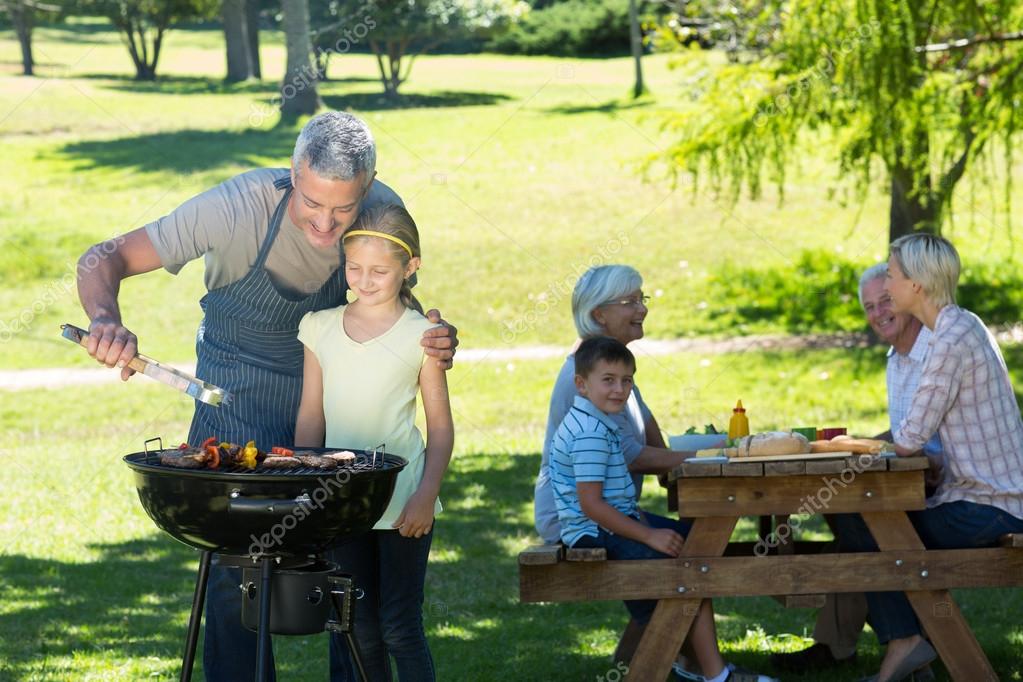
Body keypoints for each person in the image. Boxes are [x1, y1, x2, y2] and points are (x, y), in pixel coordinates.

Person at [75, 111, 458, 682]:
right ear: (291, 172)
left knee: (342, 567)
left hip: (332, 406)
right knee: (238, 568)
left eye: (343, 209)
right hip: (236, 395)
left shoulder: (383, 207)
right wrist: (106, 320)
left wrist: (435, 336)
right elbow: (102, 257)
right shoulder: (236, 206)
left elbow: (392, 302)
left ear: (370, 185)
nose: (326, 226)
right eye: (311, 203)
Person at [831, 234, 1023, 682]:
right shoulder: (958, 326)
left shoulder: (948, 340)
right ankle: (909, 649)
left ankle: (907, 644)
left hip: (996, 507)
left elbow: (910, 438)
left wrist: (851, 444)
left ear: (916, 285)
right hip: (980, 499)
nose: (889, 284)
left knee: (871, 525)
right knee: (869, 522)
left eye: (893, 275)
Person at [549, 337, 776, 682]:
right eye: (608, 380)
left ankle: (691, 658)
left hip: (613, 523)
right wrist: (649, 534)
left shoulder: (597, 421)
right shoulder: (589, 433)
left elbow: (611, 498)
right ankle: (713, 673)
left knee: (698, 544)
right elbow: (591, 505)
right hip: (592, 532)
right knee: (689, 563)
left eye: (627, 381)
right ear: (581, 384)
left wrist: (642, 522)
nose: (619, 389)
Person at [295, 204, 453, 681]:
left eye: (379, 271)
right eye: (355, 267)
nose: (364, 280)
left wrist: (426, 496)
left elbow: (440, 428)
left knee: (399, 628)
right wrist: (307, 486)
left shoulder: (423, 336)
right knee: (356, 628)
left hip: (404, 504)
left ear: (410, 268)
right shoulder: (319, 327)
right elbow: (310, 414)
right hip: (339, 504)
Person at [771, 262, 943, 673]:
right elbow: (908, 433)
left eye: (886, 301)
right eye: (869, 307)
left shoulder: (936, 352)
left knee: (859, 519)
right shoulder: (896, 358)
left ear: (907, 295)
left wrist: (866, 446)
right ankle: (843, 643)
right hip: (921, 479)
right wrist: (858, 443)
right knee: (847, 514)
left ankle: (906, 639)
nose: (878, 313)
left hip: (952, 489)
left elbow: (928, 446)